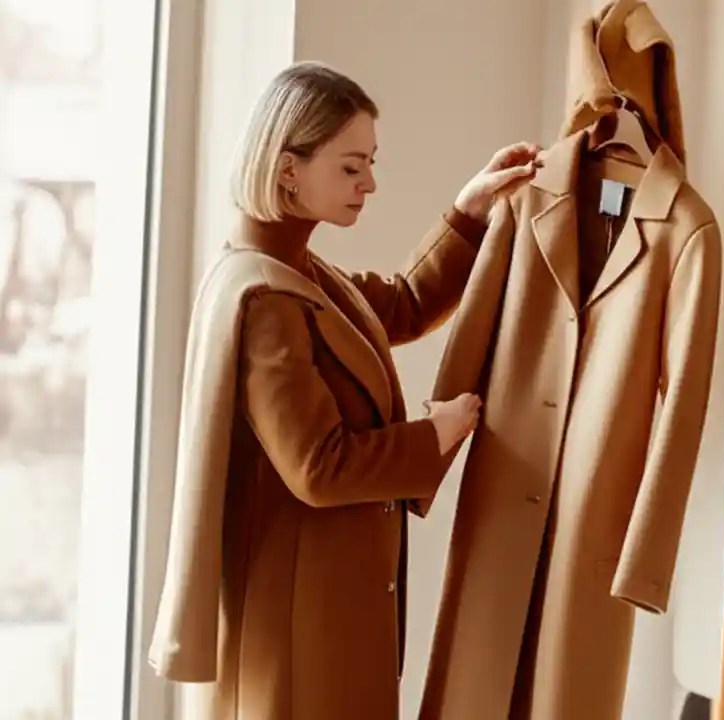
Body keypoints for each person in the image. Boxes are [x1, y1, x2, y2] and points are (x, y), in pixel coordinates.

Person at [147, 61, 540, 719]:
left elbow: (404, 304)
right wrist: (434, 436)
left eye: (371, 163)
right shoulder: (268, 297)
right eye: (351, 167)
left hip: (323, 610)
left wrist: (470, 213)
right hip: (298, 627)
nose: (370, 184)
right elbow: (317, 467)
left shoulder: (296, 271)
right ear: (288, 168)